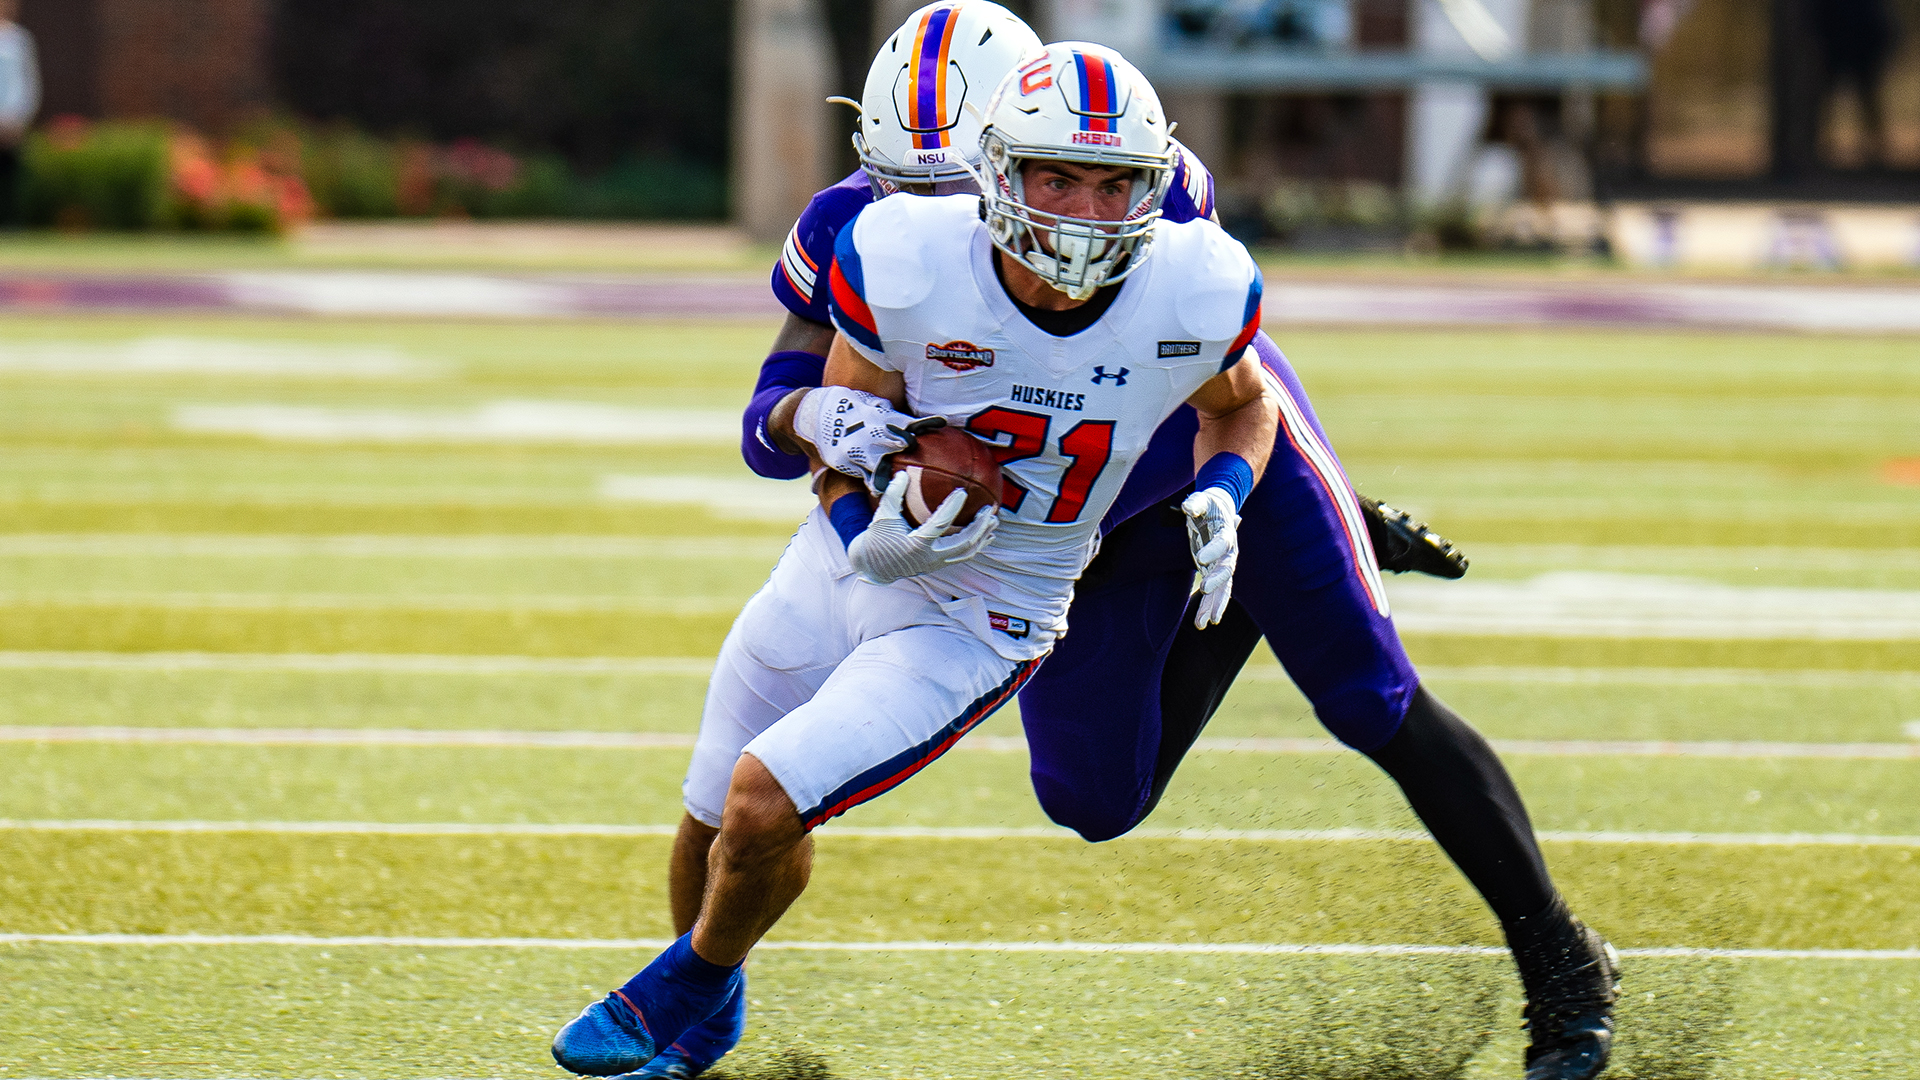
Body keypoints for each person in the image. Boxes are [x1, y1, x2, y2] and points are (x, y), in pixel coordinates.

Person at [668, 5, 1614, 1078]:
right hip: (1075, 524)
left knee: (1366, 695)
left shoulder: (1149, 198)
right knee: (1091, 799)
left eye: (969, 188)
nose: (940, 217)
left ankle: (1564, 967)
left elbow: (1227, 390)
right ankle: (1249, 596)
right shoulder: (867, 236)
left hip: (1205, 467)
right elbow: (770, 424)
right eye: (907, 189)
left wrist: (1238, 488)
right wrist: (830, 437)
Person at [552, 39, 1282, 1080]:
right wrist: (864, 527)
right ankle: (705, 1030)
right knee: (712, 815)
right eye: (1055, 176)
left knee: (765, 803)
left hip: (985, 609)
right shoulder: (908, 258)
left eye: (1113, 182)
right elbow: (833, 441)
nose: (1082, 208)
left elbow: (1244, 404)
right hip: (844, 563)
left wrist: (1225, 492)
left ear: (1152, 188)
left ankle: (683, 988)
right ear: (999, 172)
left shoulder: (1195, 289)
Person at [0, 0, 39, 226]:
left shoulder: (19, 40)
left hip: (12, 121)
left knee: (11, 177)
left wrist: (16, 117)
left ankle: (11, 224)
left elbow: (25, 82)